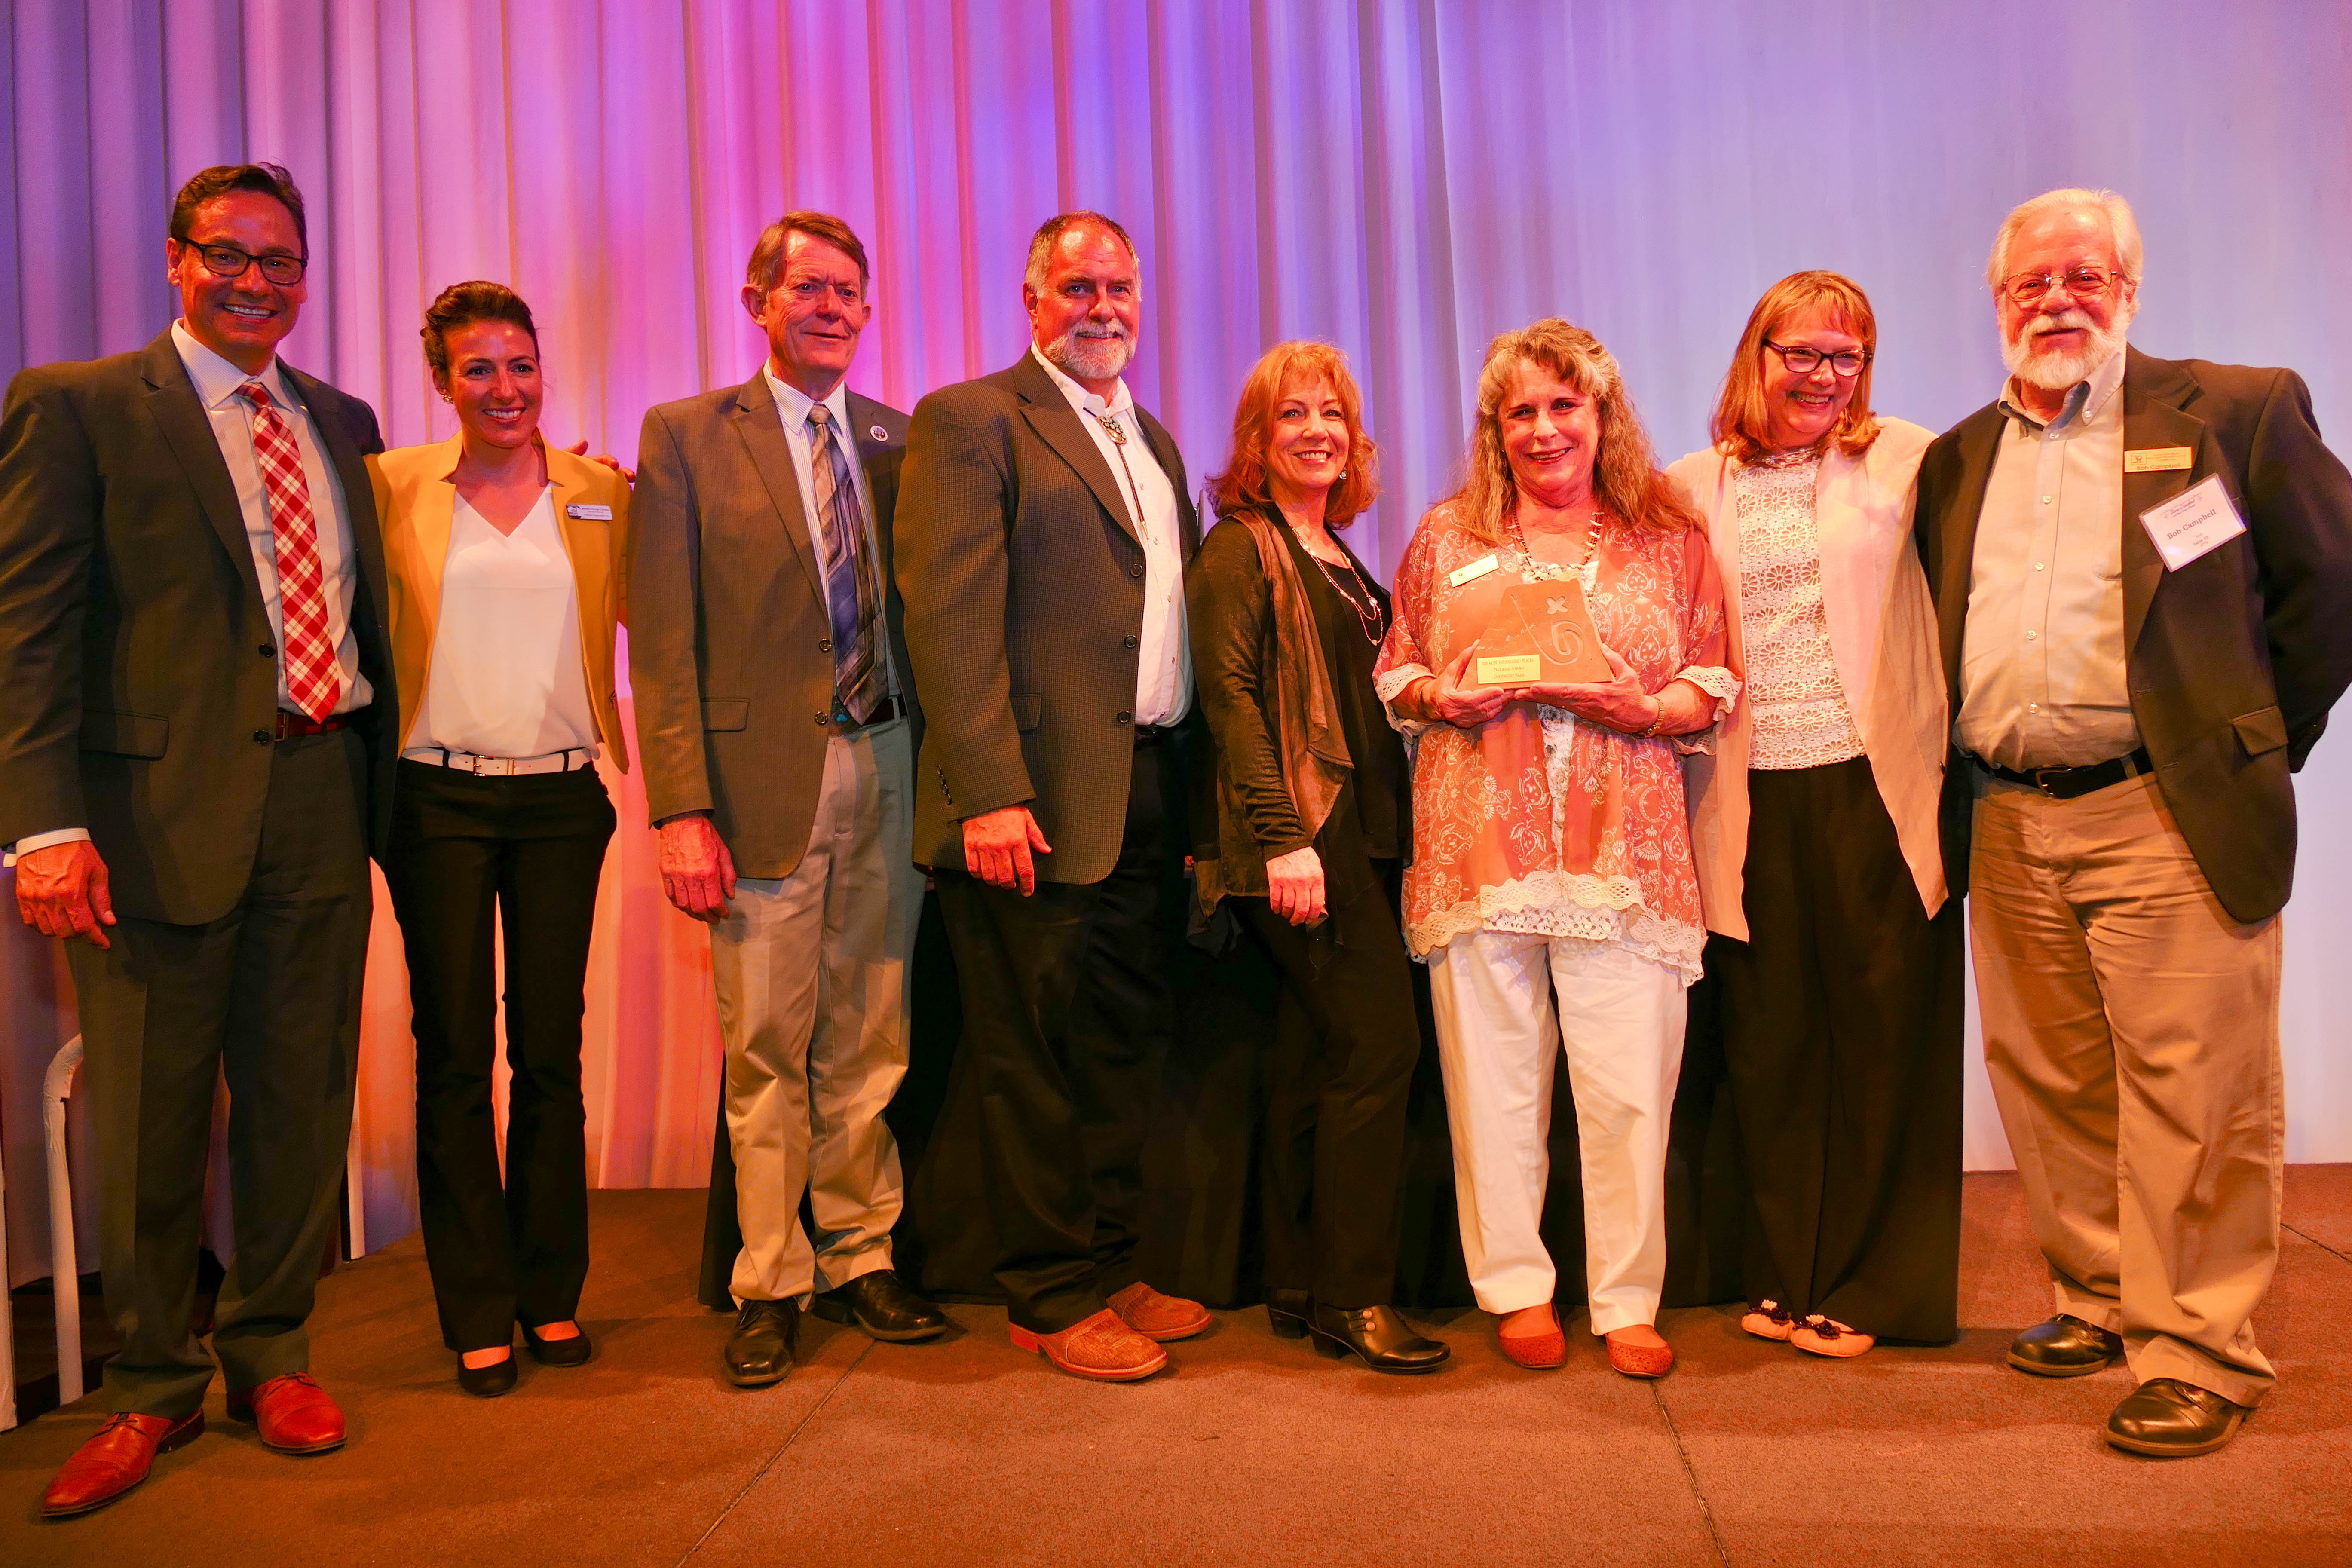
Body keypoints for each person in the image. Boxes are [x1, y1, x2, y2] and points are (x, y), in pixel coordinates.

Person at [1916, 187, 2352, 1456]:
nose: (2055, 300)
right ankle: (2098, 1297)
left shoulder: (2233, 412)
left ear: (2129, 289)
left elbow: (2331, 593)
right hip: (2007, 816)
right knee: (2051, 1084)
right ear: (1998, 303)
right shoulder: (1959, 458)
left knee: (2198, 1091)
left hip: (2162, 810)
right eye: (2029, 284)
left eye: (2081, 277)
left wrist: (2249, 743)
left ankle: (2199, 1347)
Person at [0, 164, 393, 1514]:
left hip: (319, 794)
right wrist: (43, 827)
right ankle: (151, 1385)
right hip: (143, 825)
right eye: (228, 254)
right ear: (177, 259)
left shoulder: (343, 419)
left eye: (282, 260)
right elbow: (31, 630)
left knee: (299, 1102)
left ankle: (274, 1352)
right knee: (156, 1116)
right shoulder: (80, 407)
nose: (256, 280)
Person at [1375, 318, 1735, 1379]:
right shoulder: (1446, 537)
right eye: (1520, 411)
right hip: (1478, 845)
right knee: (1494, 1083)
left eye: (1562, 406)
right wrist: (1446, 690)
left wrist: (1647, 705)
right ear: (1496, 428)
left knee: (1629, 1089)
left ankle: (1626, 1299)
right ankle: (1518, 1286)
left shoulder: (1669, 539)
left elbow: (1711, 679)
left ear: (1602, 415)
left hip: (1626, 856)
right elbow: (1398, 668)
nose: (1543, 429)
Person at [629, 211, 946, 1389]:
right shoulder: (685, 437)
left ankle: (864, 1257)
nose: (831, 308)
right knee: (768, 1045)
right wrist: (679, 811)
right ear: (758, 301)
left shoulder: (901, 440)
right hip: (759, 784)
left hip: (890, 762)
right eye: (807, 287)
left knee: (871, 1034)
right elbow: (661, 646)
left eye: (850, 291)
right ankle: (772, 1277)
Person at [895, 211, 1210, 1383]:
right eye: (1077, 287)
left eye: (1120, 285)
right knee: (1029, 1056)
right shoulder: (973, 421)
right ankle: (1044, 1293)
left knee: (1117, 1049)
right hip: (1025, 802)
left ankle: (1111, 1262)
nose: (1103, 307)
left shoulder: (1154, 439)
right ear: (1033, 301)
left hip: (1144, 788)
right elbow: (949, 616)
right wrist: (986, 790)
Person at [1667, 273, 1961, 1359]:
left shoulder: (1914, 460)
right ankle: (1787, 1274)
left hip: (1877, 788)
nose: (1825, 377)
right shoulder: (1693, 485)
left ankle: (1879, 1289)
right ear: (1759, 354)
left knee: (1886, 1040)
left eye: (1848, 357)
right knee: (1774, 1041)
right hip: (1746, 794)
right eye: (1804, 354)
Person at [368, 282, 629, 1396]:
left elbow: (664, 622)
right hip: (438, 805)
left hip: (565, 802)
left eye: (521, 365)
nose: (506, 389)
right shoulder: (390, 488)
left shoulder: (604, 490)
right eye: (479, 369)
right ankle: (475, 1309)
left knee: (554, 1060)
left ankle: (549, 1293)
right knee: (457, 1060)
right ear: (441, 381)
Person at [1187, 342, 1448, 1375]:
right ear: (1259, 438)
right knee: (1380, 1048)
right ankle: (1356, 1297)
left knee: (1316, 1057)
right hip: (1301, 836)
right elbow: (1233, 701)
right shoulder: (1240, 548)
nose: (1317, 432)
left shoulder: (1340, 552)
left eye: (1333, 414)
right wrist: (1284, 836)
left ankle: (1299, 1285)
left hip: (1365, 834)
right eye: (1292, 415)